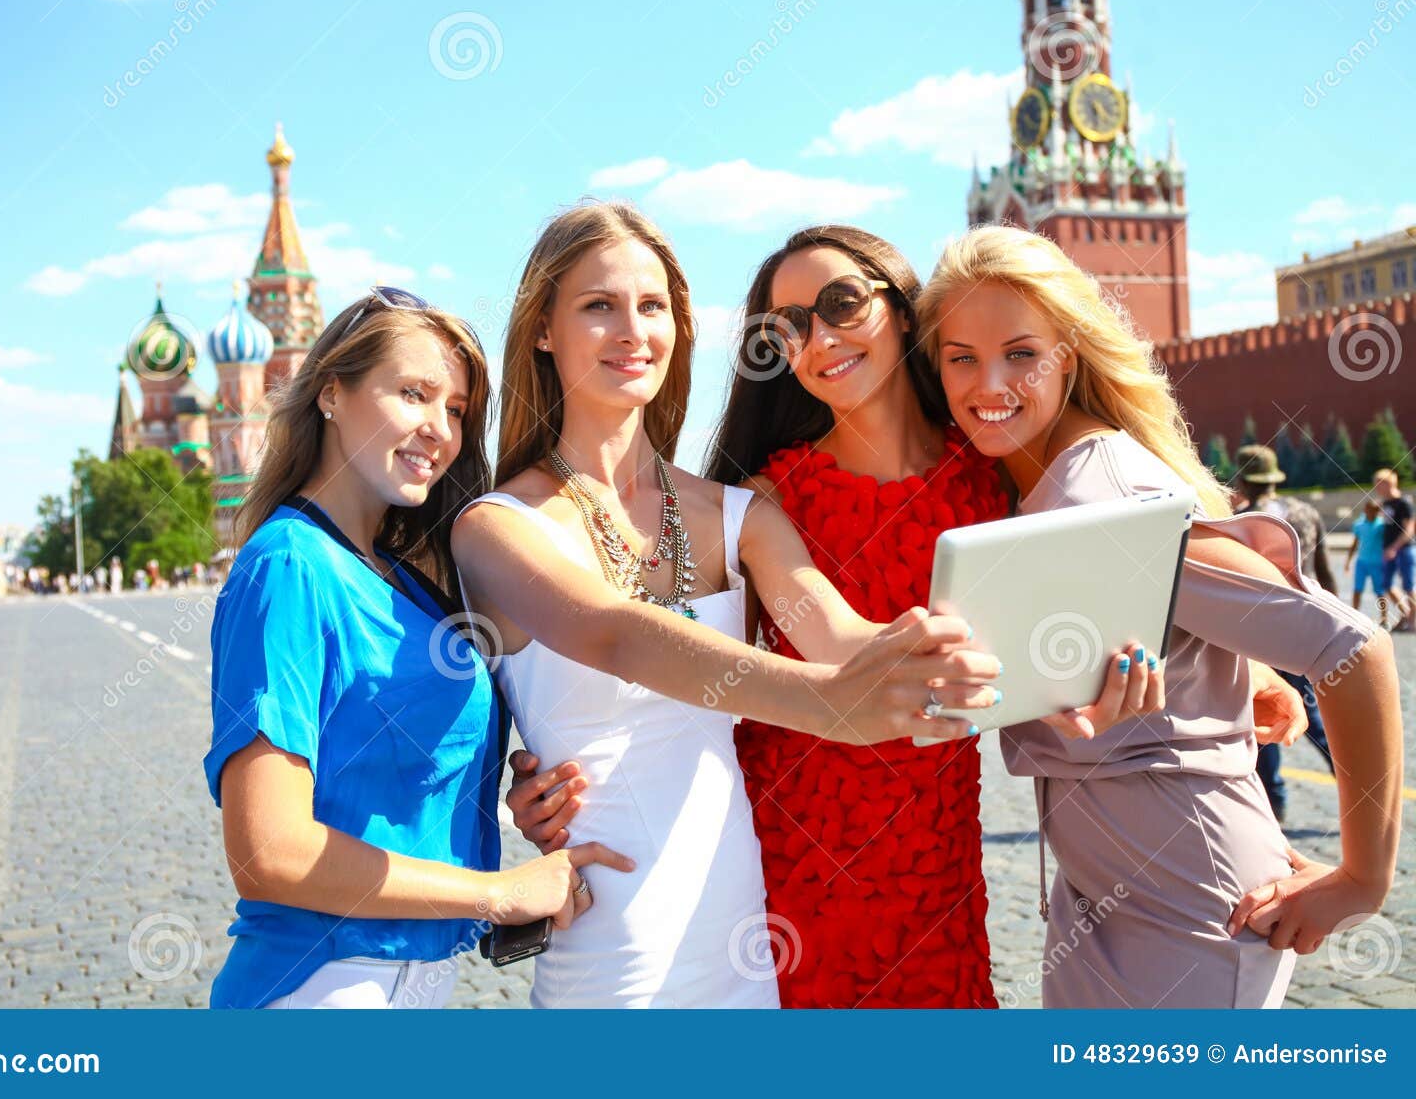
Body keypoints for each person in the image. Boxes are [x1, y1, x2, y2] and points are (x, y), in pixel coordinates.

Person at [456, 205, 1143, 1009]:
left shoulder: (738, 518)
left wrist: (1039, 674)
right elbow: (614, 636)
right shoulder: (492, 525)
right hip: (608, 934)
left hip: (741, 916)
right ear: (543, 328)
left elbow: (843, 634)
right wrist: (522, 788)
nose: (632, 329)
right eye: (599, 304)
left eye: (652, 306)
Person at [917, 224, 1403, 1008]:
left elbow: (1355, 647)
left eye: (1021, 353)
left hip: (1191, 913)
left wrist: (1362, 878)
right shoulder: (1045, 484)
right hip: (1104, 904)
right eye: (961, 357)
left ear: (1067, 357)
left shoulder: (1102, 492)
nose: (989, 382)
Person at [204, 287, 635, 1011]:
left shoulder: (400, 571)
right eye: (414, 393)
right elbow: (268, 852)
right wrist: (496, 891)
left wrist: (513, 792)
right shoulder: (290, 566)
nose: (440, 428)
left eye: (458, 409)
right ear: (332, 393)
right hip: (321, 986)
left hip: (412, 984)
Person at [1230, 444, 1335, 825]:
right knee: (1313, 713)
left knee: (1263, 712)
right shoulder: (1305, 514)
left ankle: (1275, 804)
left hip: (1260, 635)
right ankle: (1350, 778)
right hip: (1306, 629)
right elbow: (1323, 574)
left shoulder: (1240, 519)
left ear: (1242, 478)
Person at [1372, 468, 1415, 631]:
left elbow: (1409, 530)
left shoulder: (1404, 503)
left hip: (1404, 549)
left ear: (1387, 484)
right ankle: (1406, 612)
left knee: (1409, 586)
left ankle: (1413, 620)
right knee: (1387, 584)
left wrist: (1394, 548)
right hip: (1387, 550)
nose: (1376, 489)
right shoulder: (1385, 503)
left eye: (1378, 485)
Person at [1347, 499, 1389, 619]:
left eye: (1375, 511)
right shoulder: (1359, 525)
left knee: (1380, 592)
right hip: (1362, 562)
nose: (1371, 513)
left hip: (1377, 563)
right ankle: (1354, 616)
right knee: (1357, 589)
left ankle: (1384, 617)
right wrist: (1348, 561)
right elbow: (1355, 543)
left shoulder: (1382, 525)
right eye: (1369, 510)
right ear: (1365, 510)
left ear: (1378, 512)